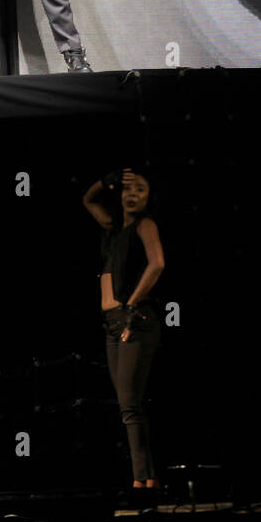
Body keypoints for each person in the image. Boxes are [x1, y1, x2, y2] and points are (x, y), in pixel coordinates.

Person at [82, 167, 165, 489]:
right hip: (113, 323)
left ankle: (142, 482)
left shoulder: (145, 225)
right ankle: (144, 479)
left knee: (130, 406)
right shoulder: (113, 229)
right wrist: (109, 180)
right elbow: (88, 199)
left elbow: (157, 264)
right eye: (129, 189)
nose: (133, 194)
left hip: (135, 320)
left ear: (149, 198)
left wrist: (131, 306)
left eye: (141, 190)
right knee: (127, 407)